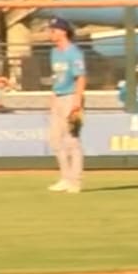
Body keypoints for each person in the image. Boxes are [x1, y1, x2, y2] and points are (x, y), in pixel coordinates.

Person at [46, 17, 86, 193]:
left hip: (71, 97)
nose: (50, 33)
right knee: (55, 139)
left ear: (63, 31)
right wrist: (53, 96)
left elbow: (81, 77)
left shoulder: (74, 52)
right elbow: (57, 78)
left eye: (53, 30)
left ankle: (75, 181)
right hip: (59, 97)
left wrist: (78, 100)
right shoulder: (54, 52)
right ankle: (65, 178)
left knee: (72, 140)